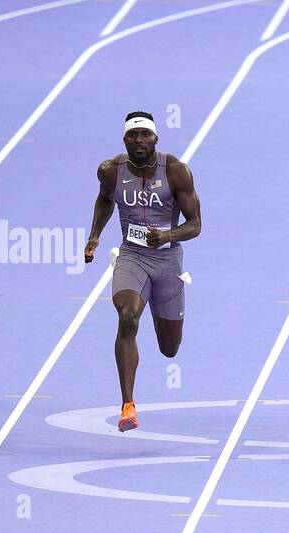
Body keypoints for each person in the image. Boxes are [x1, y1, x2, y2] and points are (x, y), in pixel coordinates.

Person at [84, 111, 201, 432]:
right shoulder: (110, 171)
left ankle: (159, 304)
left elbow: (196, 225)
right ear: (124, 140)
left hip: (167, 261)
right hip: (131, 256)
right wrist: (94, 234)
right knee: (127, 315)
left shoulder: (177, 172)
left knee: (169, 348)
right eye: (133, 136)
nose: (139, 141)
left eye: (145, 135)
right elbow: (105, 199)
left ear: (155, 139)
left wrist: (167, 235)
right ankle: (128, 405)